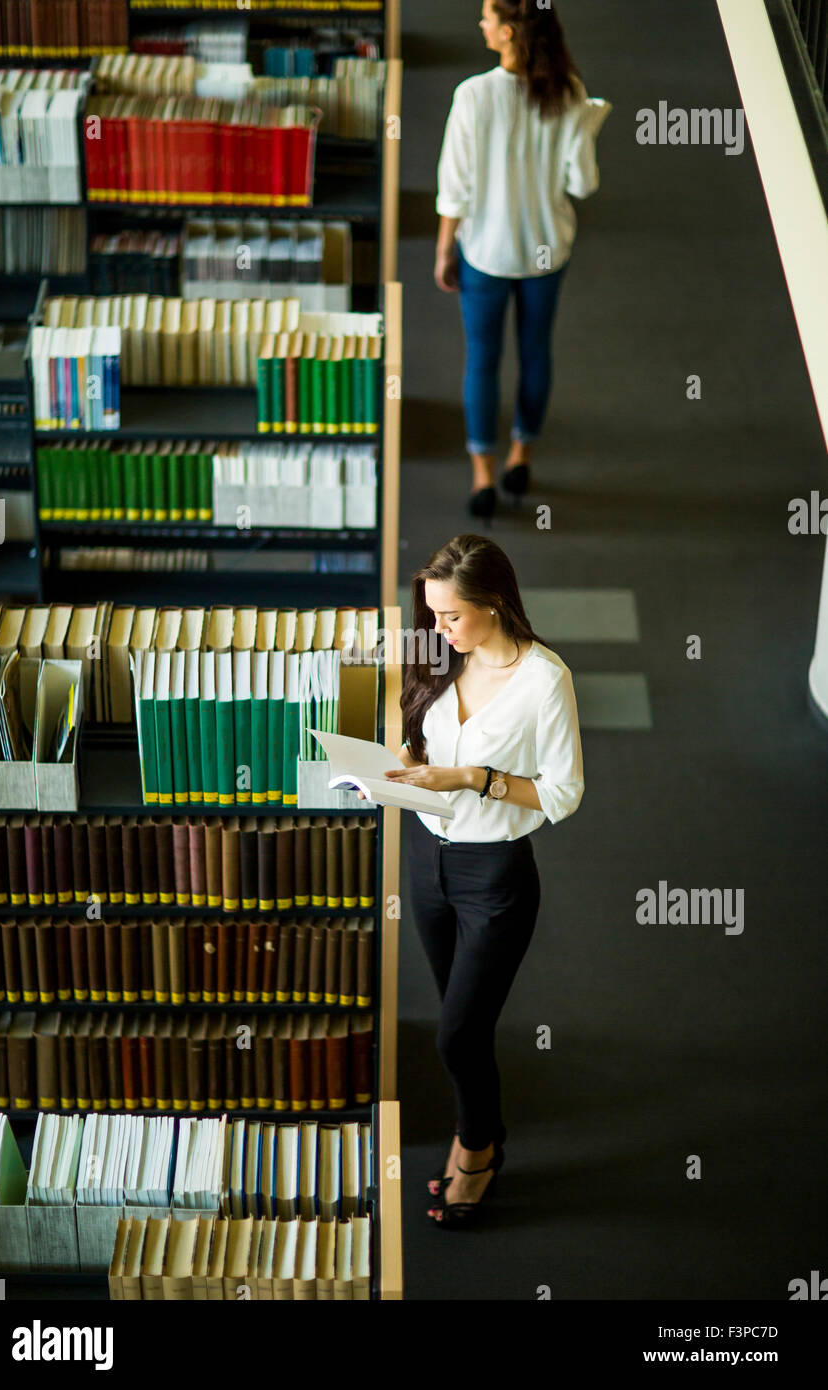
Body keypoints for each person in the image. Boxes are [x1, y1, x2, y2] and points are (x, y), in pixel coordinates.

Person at [384, 534, 584, 1228]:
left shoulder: (544, 681)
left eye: (451, 617)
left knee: (455, 1035)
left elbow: (562, 794)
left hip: (494, 878)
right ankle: (485, 1126)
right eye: (433, 615)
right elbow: (416, 739)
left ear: (494, 604)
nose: (437, 630)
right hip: (428, 856)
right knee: (460, 1022)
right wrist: (397, 764)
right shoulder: (439, 656)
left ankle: (477, 1148)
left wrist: (473, 778)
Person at [435, 0, 612, 520]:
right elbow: (583, 183)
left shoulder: (472, 95)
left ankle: (483, 476)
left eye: (487, 17)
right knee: (536, 352)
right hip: (545, 250)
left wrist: (446, 249)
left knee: (482, 360)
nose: (481, 23)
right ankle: (521, 455)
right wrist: (588, 123)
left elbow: (455, 187)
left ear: (508, 32)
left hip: (486, 252)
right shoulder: (569, 91)